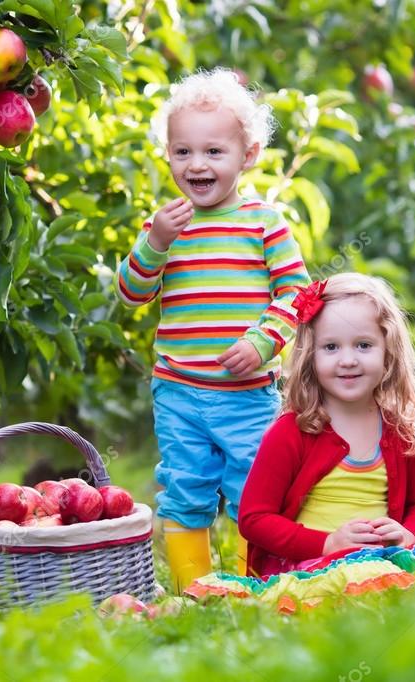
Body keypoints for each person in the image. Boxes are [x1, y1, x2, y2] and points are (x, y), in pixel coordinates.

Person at [116, 68, 310, 592]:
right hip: (178, 389)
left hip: (246, 395)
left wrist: (262, 340)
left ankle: (260, 586)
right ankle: (196, 589)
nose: (196, 165)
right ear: (169, 154)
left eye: (213, 153)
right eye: (183, 152)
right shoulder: (166, 225)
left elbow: (297, 293)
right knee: (184, 486)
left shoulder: (264, 223)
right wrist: (154, 242)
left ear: (247, 156)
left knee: (257, 489)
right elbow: (132, 293)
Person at [237, 273, 415, 578]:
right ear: (310, 356)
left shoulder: (400, 428)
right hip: (311, 566)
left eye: (363, 345)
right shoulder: (293, 431)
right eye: (331, 347)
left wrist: (409, 535)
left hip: (386, 561)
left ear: (388, 353)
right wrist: (327, 544)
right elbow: (254, 518)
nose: (347, 360)